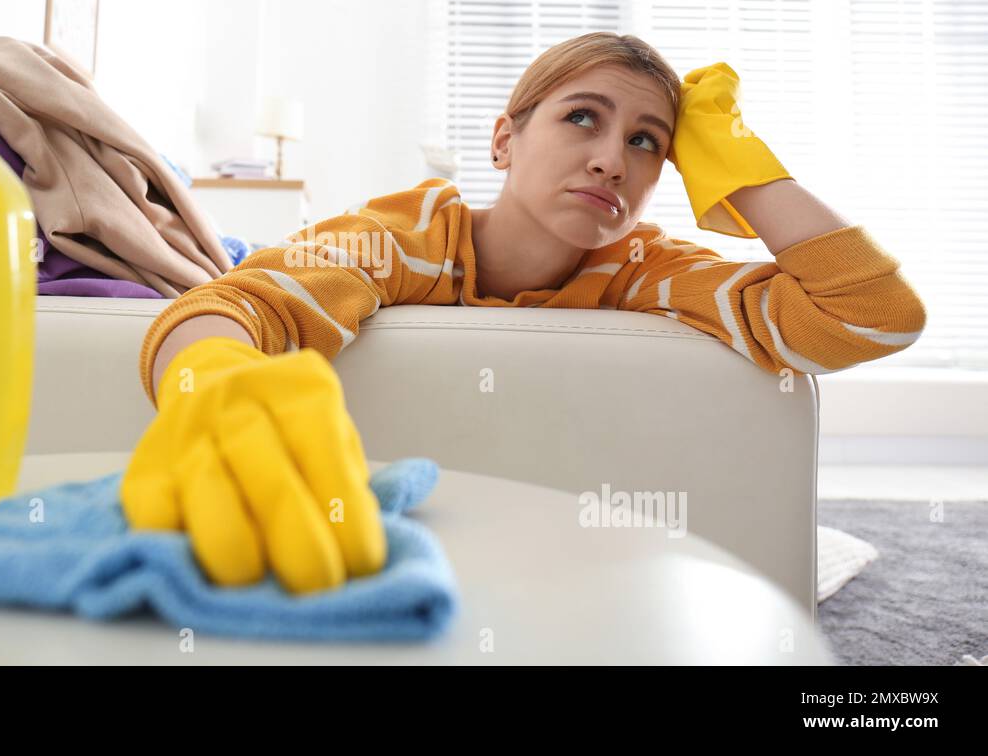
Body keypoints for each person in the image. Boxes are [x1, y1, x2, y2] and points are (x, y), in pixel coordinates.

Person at [121, 31, 928, 596]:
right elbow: (239, 303)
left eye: (650, 142)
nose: (613, 158)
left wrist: (740, 168)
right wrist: (213, 383)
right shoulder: (404, 238)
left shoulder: (640, 269)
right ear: (505, 140)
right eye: (583, 117)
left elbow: (872, 312)